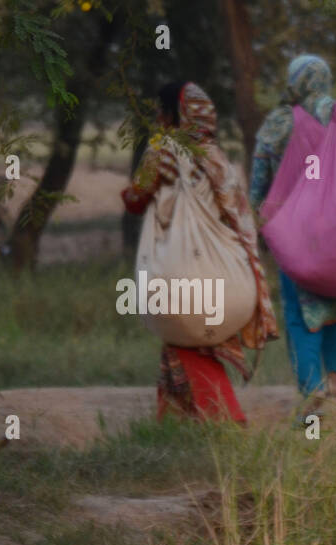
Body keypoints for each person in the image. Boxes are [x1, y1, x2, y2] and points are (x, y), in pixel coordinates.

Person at [122, 81, 278, 423]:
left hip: (184, 281)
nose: (158, 119)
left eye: (160, 112)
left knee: (185, 337)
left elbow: (136, 199)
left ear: (171, 116)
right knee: (186, 341)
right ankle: (175, 425)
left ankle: (228, 421)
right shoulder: (218, 157)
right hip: (233, 284)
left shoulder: (162, 149)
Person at [250, 54, 336, 404]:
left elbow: (257, 189)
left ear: (293, 82)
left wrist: (260, 224)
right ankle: (335, 378)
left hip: (294, 233)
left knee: (300, 309)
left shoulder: (277, 123)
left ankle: (312, 388)